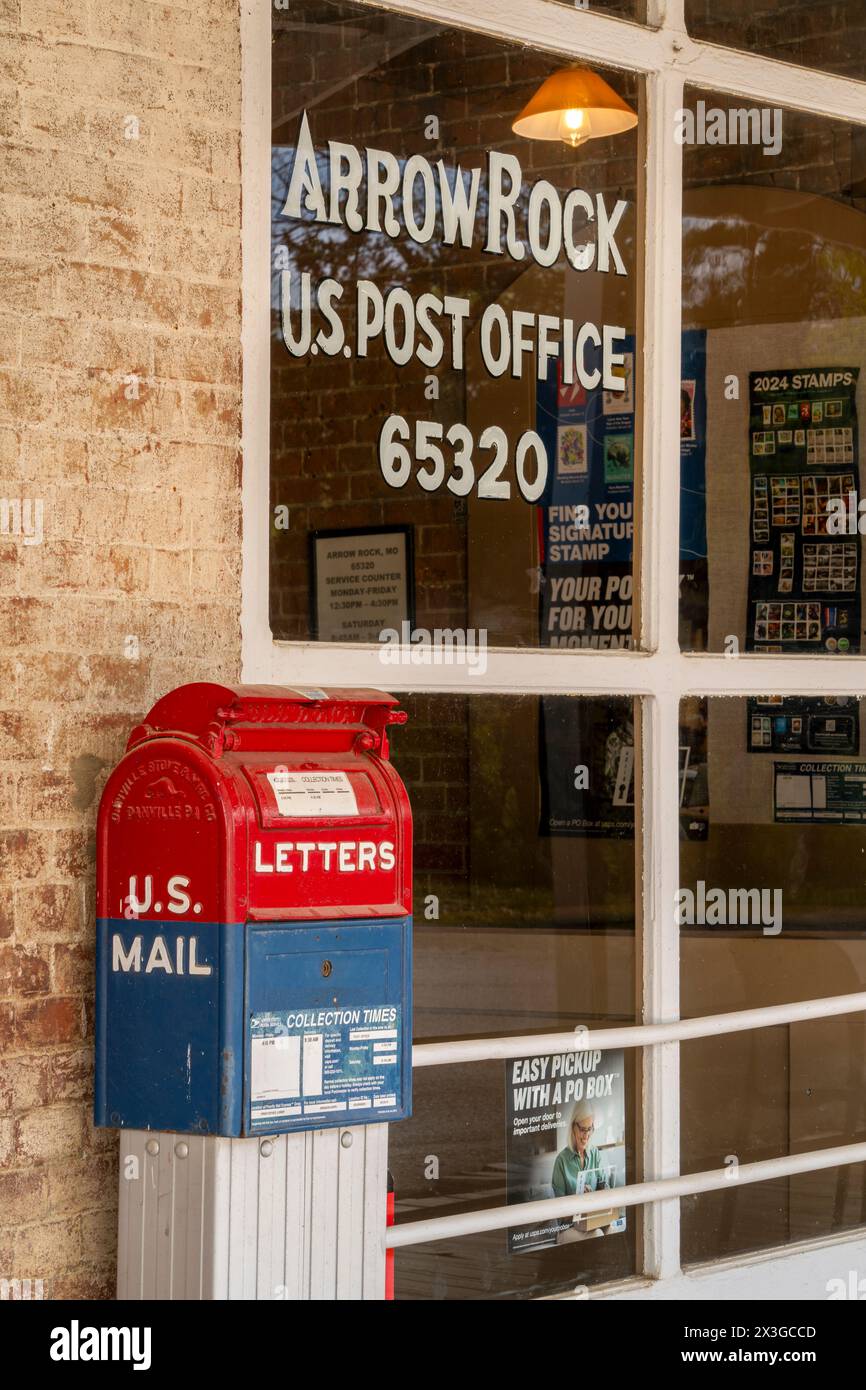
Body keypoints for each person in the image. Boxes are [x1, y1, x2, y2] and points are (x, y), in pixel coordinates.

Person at [552, 1103, 612, 1243]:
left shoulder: (595, 1154)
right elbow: (559, 1214)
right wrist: (578, 1200)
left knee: (611, 1229)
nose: (586, 1136)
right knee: (597, 1234)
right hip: (568, 1228)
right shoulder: (561, 1161)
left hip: (593, 1221)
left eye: (589, 1129)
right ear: (573, 1127)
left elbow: (605, 1190)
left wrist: (602, 1192)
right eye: (583, 1129)